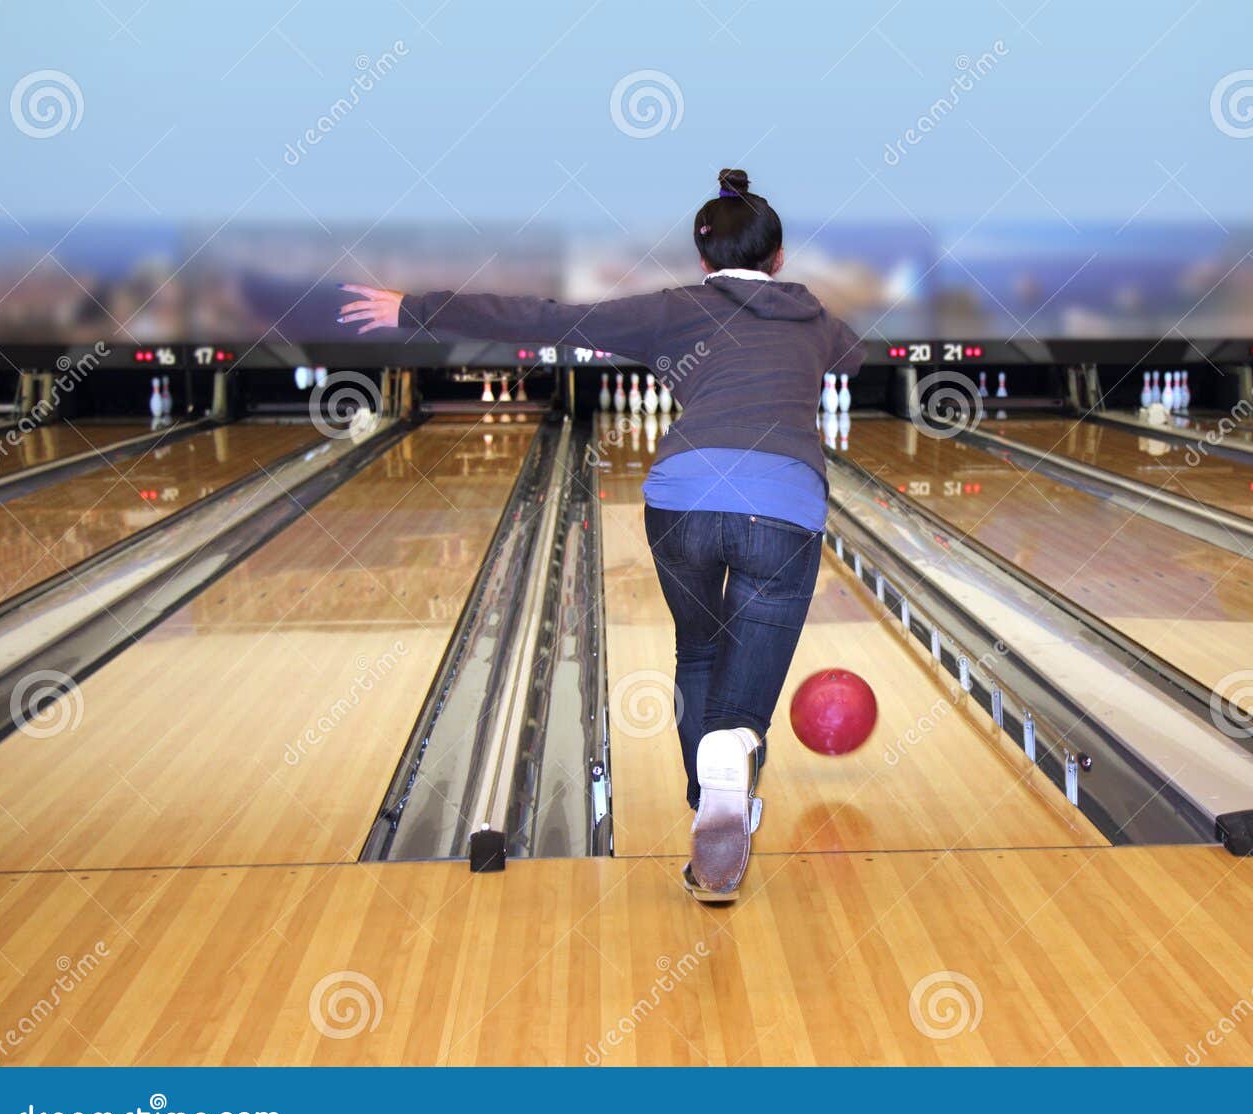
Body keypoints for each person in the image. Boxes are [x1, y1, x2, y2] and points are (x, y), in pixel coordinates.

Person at [339, 168, 864, 901]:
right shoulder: (814, 318)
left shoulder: (675, 309)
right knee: (739, 714)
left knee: (699, 649)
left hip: (682, 499)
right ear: (779, 258)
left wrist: (416, 308)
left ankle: (709, 808)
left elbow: (548, 319)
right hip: (782, 507)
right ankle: (732, 754)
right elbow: (855, 358)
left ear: (704, 261)